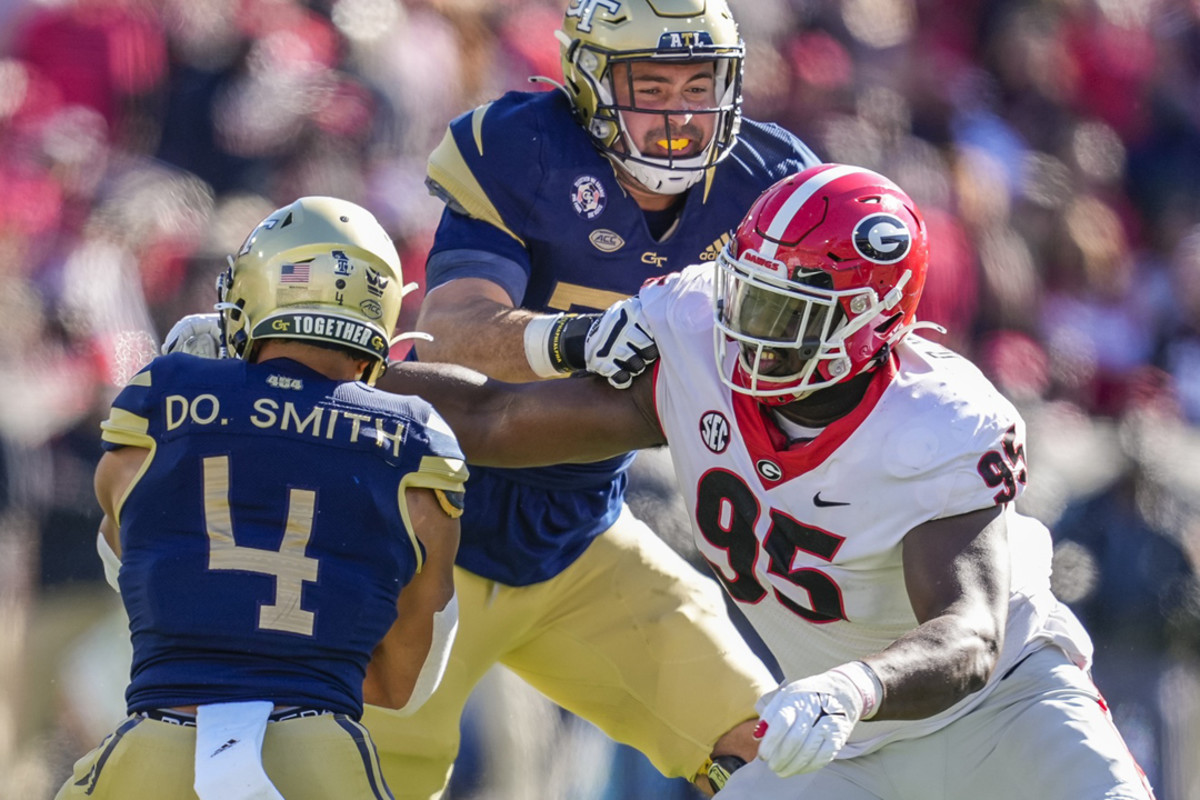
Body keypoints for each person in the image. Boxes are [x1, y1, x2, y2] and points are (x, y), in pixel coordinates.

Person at [376, 163, 1158, 798]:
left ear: (870, 321)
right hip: (849, 743)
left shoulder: (940, 423)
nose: (746, 329)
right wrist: (329, 369)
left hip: (1004, 713)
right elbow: (498, 423)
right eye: (745, 293)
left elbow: (969, 636)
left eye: (785, 314)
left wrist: (851, 688)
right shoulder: (696, 335)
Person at [366, 0, 821, 794]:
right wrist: (570, 340)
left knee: (777, 759)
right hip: (425, 546)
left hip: (581, 541)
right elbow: (453, 328)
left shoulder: (769, 183)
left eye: (697, 85)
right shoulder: (526, 148)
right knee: (357, 782)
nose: (678, 116)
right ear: (588, 82)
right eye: (650, 85)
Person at [57, 197, 466, 800]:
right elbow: (403, 684)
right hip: (318, 756)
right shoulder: (414, 442)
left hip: (159, 749)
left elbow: (129, 568)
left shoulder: (161, 397)